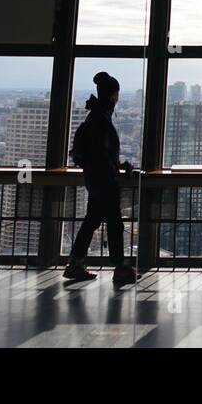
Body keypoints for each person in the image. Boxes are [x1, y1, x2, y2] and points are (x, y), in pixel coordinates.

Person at [64, 72, 136, 287]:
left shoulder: (95, 116)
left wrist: (115, 165)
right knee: (114, 223)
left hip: (96, 179)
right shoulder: (100, 118)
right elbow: (102, 153)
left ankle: (76, 263)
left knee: (92, 221)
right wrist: (116, 168)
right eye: (116, 94)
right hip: (104, 181)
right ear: (112, 95)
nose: (117, 98)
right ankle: (120, 267)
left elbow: (98, 153)